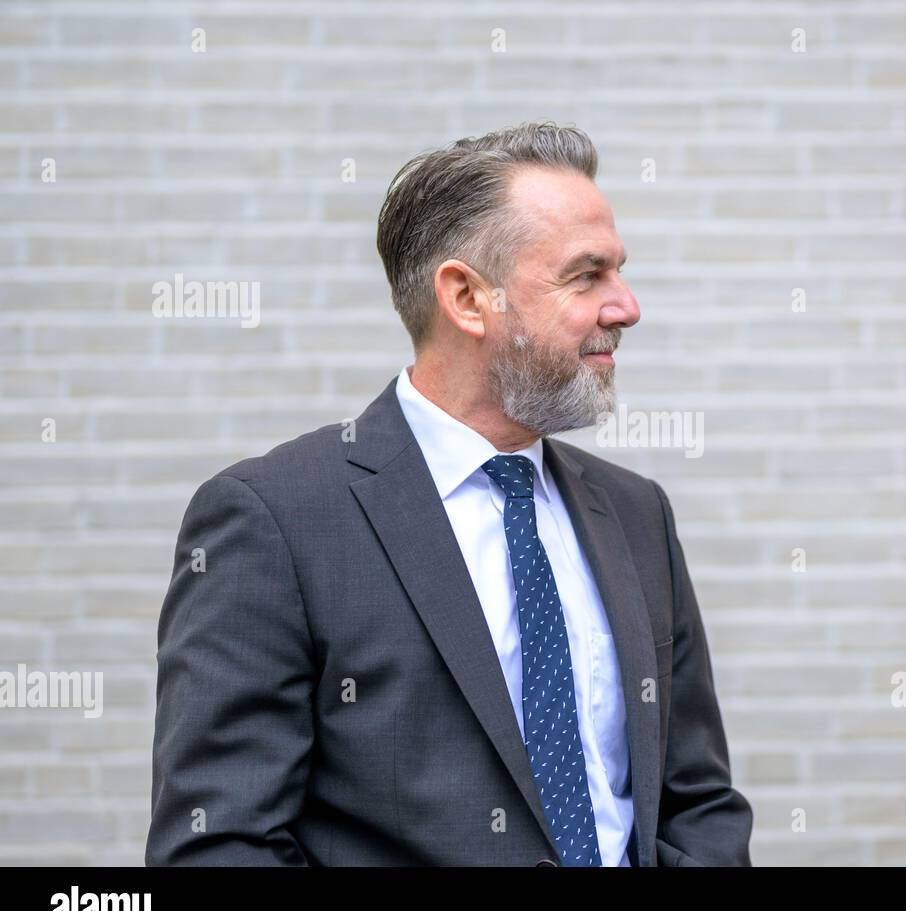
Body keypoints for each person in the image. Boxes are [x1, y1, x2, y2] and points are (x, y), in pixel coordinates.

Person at [145, 121, 753, 866]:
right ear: (467, 298)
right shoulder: (276, 521)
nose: (625, 306)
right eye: (586, 275)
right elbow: (221, 844)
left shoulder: (635, 514)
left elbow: (698, 804)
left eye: (618, 272)